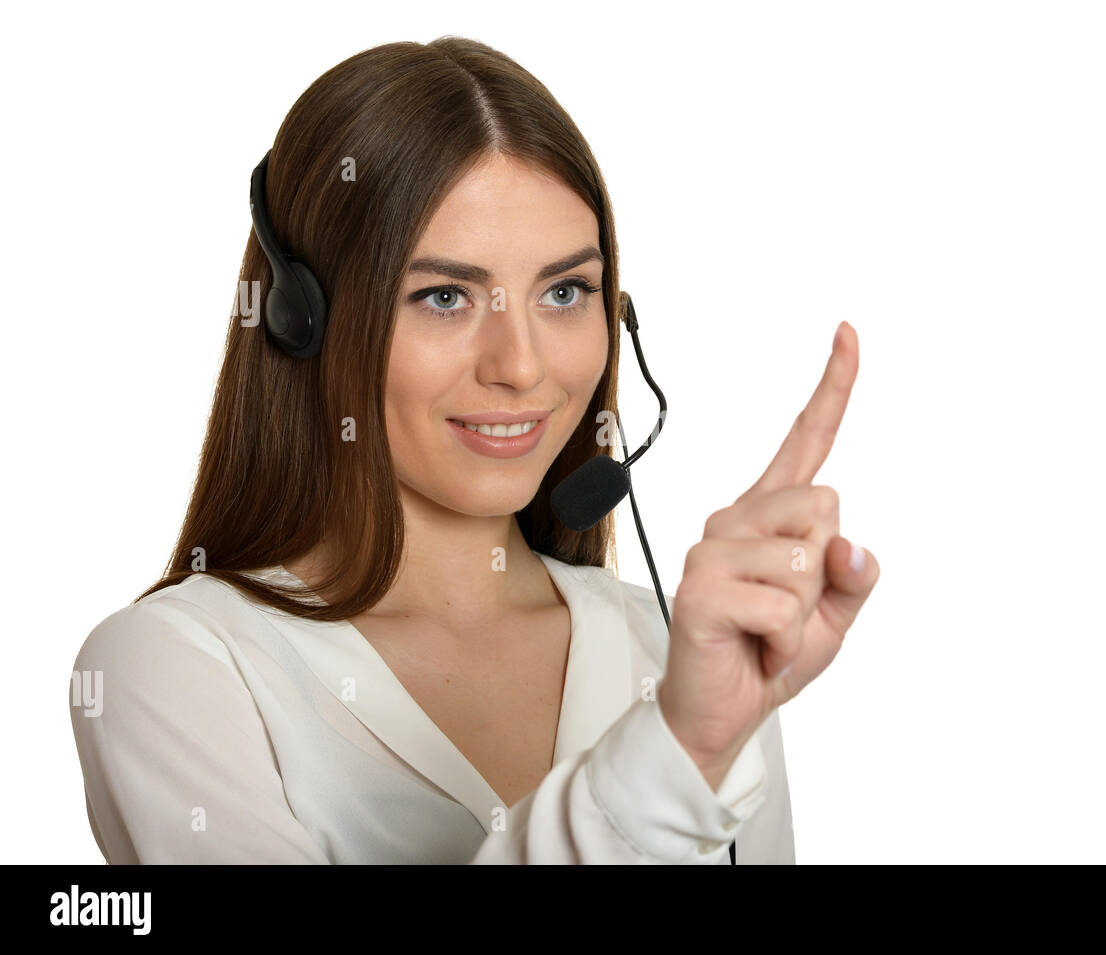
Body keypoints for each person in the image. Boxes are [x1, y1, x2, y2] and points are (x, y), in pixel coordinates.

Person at [67, 36, 879, 864]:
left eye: (565, 292)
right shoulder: (177, 668)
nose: (521, 365)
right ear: (301, 318)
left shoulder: (683, 648)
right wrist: (671, 758)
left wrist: (699, 726)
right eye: (445, 296)